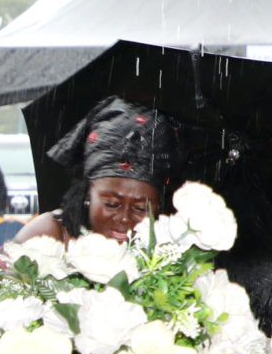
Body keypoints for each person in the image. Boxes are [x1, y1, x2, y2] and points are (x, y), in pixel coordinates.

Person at [11, 96, 169, 247]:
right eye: (111, 204)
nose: (124, 218)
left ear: (158, 207)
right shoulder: (48, 236)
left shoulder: (171, 245)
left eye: (141, 208)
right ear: (88, 194)